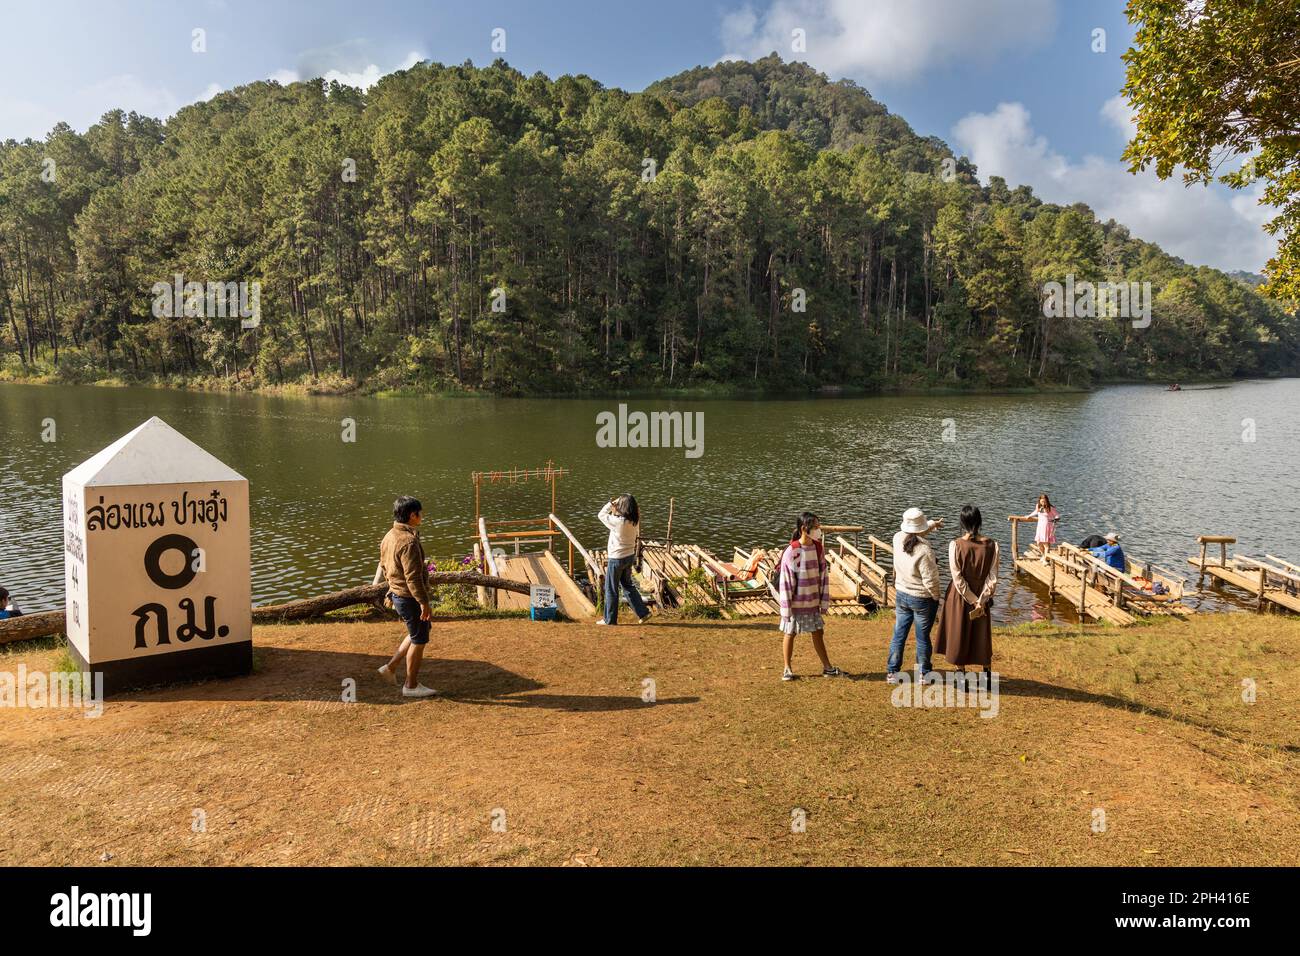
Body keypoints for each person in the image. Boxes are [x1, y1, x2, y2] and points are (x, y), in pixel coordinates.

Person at [376, 496, 439, 698]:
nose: (422, 516)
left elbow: (384, 566)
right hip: (409, 597)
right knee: (419, 640)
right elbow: (413, 578)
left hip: (397, 594)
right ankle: (411, 686)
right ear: (413, 515)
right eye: (420, 513)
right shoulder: (408, 542)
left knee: (416, 633)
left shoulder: (389, 535)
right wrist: (424, 603)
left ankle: (390, 668)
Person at [777, 512, 843, 681]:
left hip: (813, 601)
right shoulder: (792, 551)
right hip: (795, 603)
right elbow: (786, 582)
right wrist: (786, 608)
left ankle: (827, 667)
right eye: (815, 527)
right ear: (804, 529)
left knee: (818, 632)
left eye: (819, 527)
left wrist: (823, 602)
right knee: (790, 633)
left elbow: (823, 576)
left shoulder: (818, 547)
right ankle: (787, 669)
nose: (818, 530)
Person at [937, 505, 999, 684]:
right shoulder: (992, 545)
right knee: (982, 634)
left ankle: (961, 676)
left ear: (962, 523)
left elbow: (957, 577)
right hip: (982, 596)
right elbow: (993, 576)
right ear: (979, 522)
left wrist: (972, 599)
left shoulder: (955, 545)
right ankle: (987, 675)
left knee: (959, 632)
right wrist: (982, 599)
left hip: (959, 596)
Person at [887, 507, 943, 685]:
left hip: (902, 593)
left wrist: (933, 525)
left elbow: (917, 531)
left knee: (899, 634)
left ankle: (892, 672)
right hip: (922, 599)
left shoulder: (897, 538)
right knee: (922, 638)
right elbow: (931, 581)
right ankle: (924, 674)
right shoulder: (925, 551)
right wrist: (937, 598)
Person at [596, 494, 651, 626]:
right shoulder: (634, 521)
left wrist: (611, 504)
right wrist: (617, 510)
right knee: (628, 586)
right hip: (628, 557)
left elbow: (601, 514)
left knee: (611, 589)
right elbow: (623, 516)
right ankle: (643, 612)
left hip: (616, 559)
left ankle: (609, 619)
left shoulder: (618, 522)